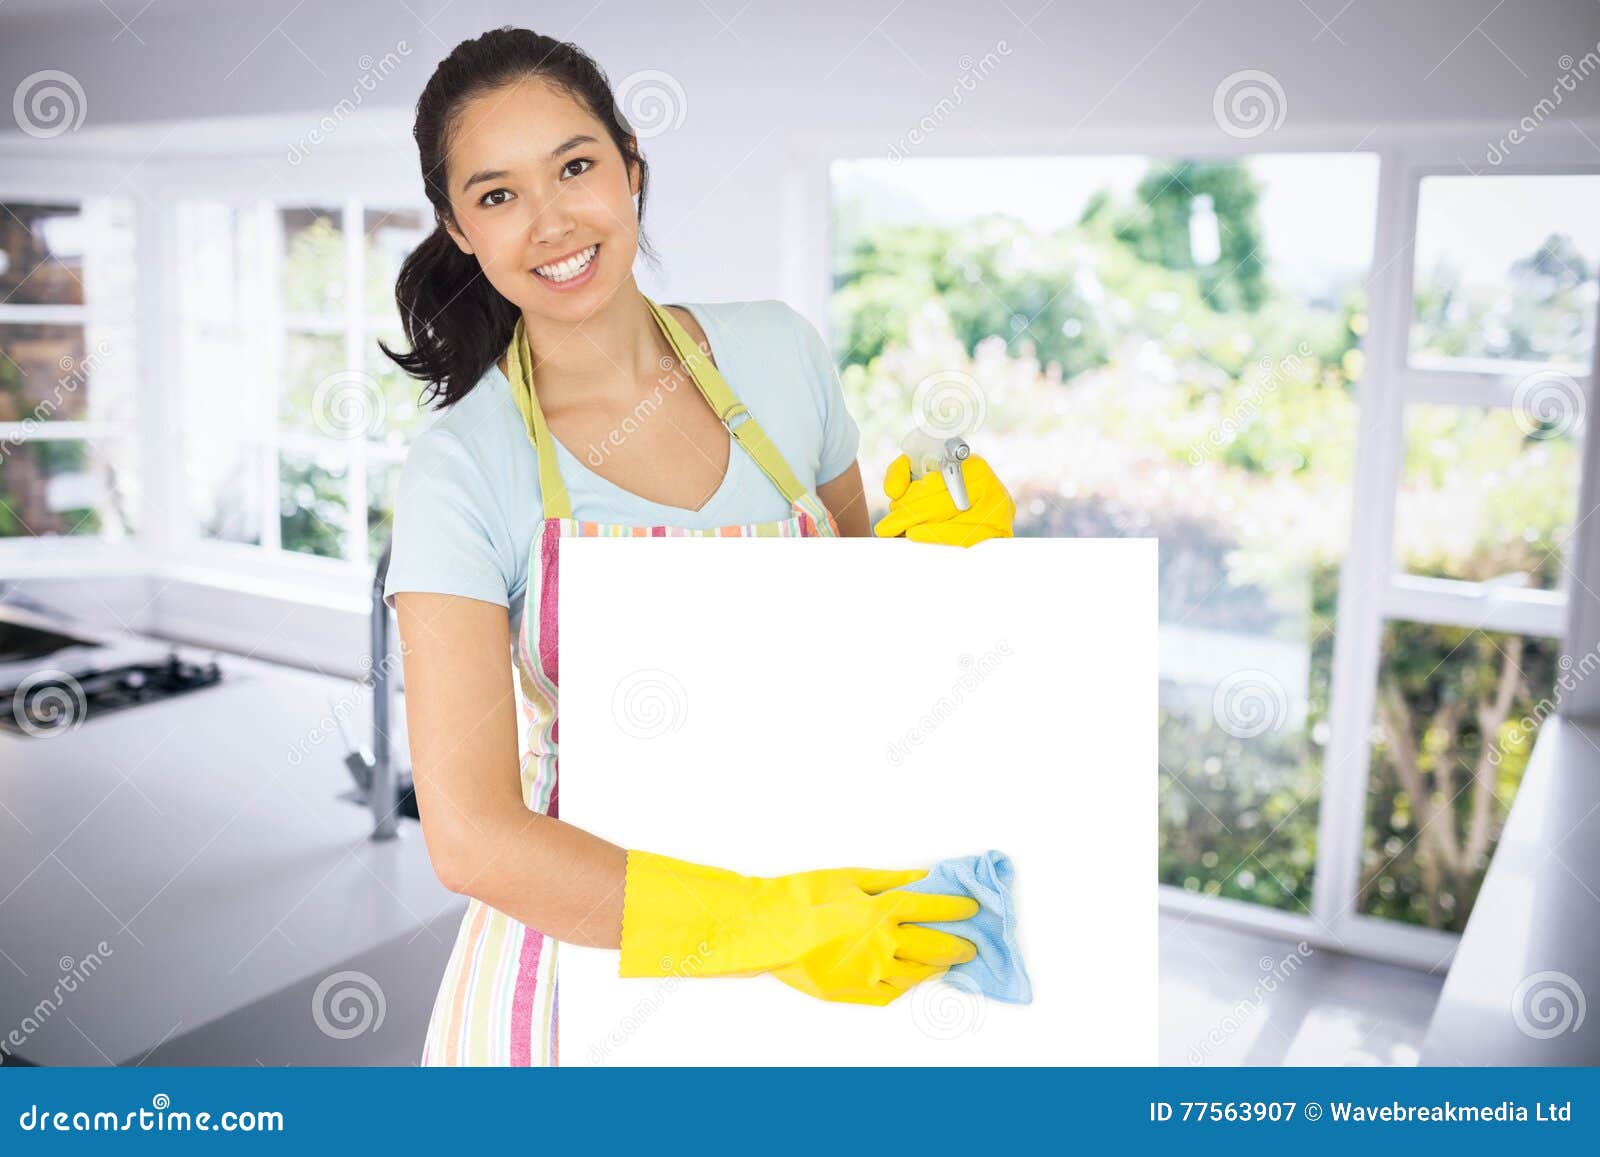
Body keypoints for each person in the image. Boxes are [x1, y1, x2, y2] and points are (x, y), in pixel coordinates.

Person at [380, 27, 1017, 1066]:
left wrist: (938, 562)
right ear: (458, 228)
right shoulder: (461, 464)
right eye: (497, 196)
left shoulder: (780, 352)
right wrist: (770, 928)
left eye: (575, 167)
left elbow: (873, 644)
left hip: (827, 937)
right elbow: (473, 835)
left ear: (631, 166)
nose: (551, 223)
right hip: (581, 978)